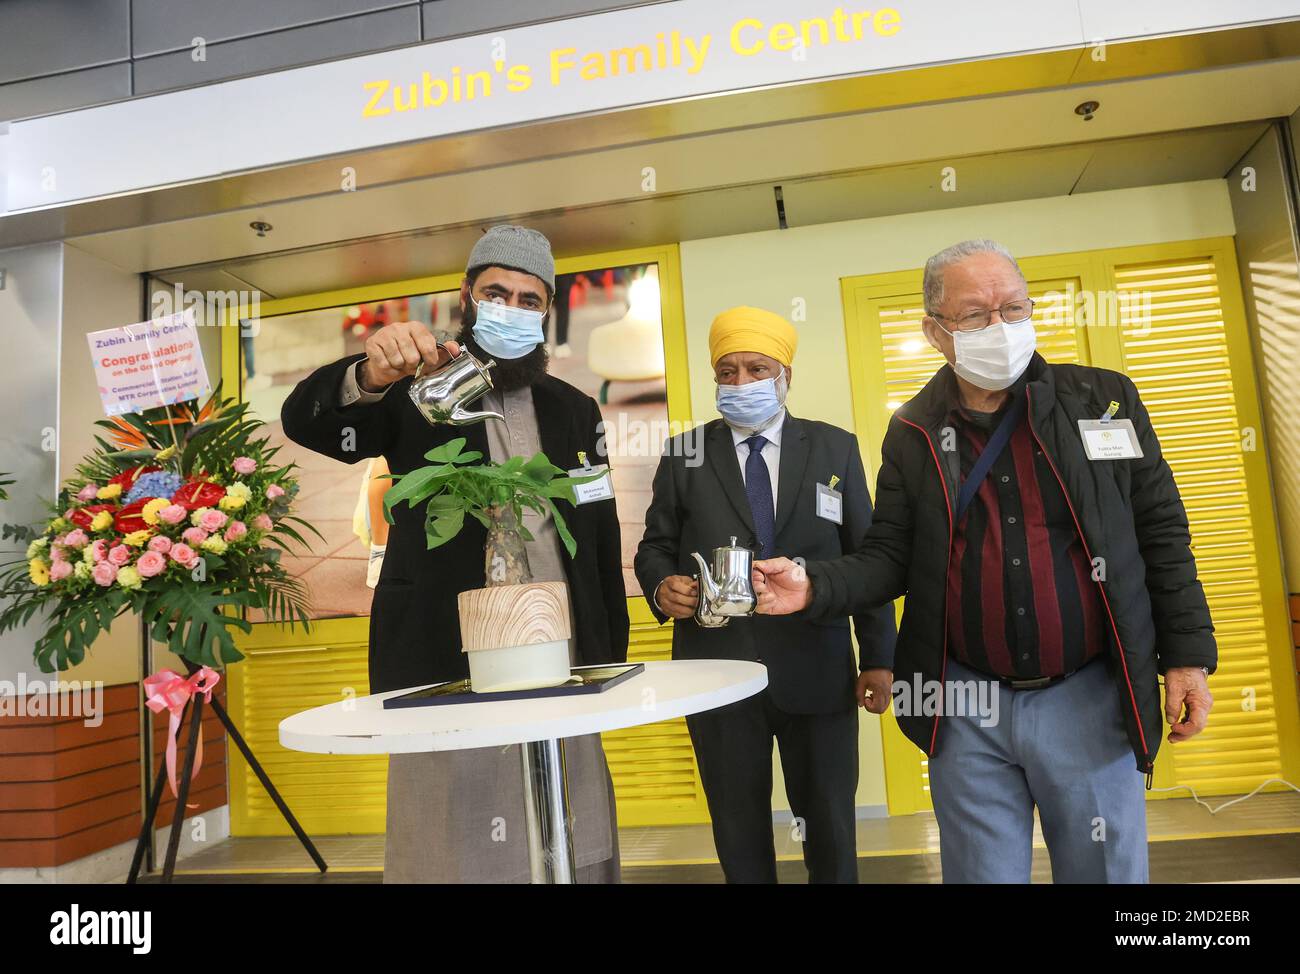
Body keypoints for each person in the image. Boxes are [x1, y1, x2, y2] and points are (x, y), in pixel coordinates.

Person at [752, 239, 1217, 883]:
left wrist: (1186, 657)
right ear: (935, 332)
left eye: (1014, 309)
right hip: (967, 705)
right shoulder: (913, 431)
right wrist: (813, 585)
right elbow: (890, 555)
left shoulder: (1103, 400)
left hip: (1088, 693)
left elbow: (1162, 531)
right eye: (975, 315)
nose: (1000, 327)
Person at [281, 225, 628, 883]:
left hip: (560, 655)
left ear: (547, 313)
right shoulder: (417, 388)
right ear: (467, 297)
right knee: (452, 830)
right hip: (442, 652)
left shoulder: (575, 409)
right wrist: (368, 374)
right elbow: (312, 421)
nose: (513, 309)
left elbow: (600, 524)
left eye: (531, 300)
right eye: (498, 292)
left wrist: (608, 653)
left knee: (566, 819)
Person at [635, 306, 897, 883]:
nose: (741, 382)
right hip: (716, 674)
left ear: (785, 377)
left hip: (818, 669)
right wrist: (661, 586)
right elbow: (654, 547)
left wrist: (879, 658)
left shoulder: (834, 448)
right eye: (727, 372)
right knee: (737, 825)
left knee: (829, 822)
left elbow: (868, 559)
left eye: (756, 368)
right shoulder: (686, 454)